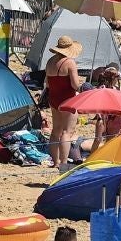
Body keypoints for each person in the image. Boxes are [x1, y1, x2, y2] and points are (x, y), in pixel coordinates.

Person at [44, 35, 83, 168]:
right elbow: (75, 85)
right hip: (68, 99)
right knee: (67, 132)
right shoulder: (70, 63)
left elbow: (47, 84)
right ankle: (64, 162)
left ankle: (55, 162)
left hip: (54, 98)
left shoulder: (49, 62)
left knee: (56, 131)